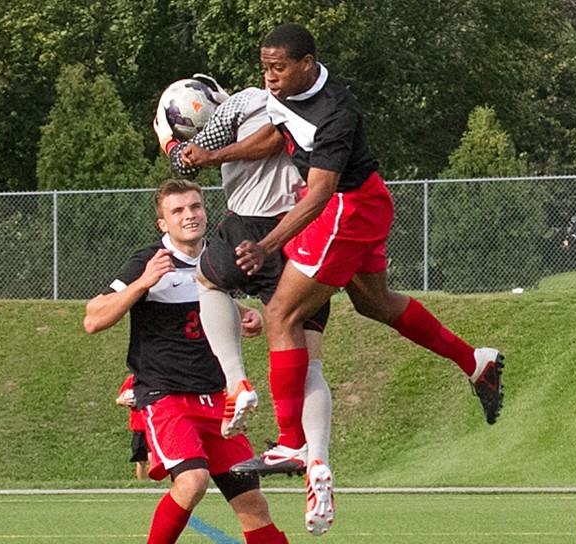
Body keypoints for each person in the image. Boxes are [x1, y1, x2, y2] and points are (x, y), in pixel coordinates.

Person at [180, 21, 504, 533]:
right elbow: (274, 136)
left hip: (346, 211)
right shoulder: (284, 93)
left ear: (307, 63)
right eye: (264, 66)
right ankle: (476, 361)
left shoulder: (336, 112)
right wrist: (213, 155)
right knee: (375, 304)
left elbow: (318, 194)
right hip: (363, 205)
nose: (269, 77)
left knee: (281, 313)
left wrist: (266, 245)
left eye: (278, 67)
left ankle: (291, 443)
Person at [154, 76, 336, 535]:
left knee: (207, 282)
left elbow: (191, 160)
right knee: (308, 359)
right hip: (304, 237)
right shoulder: (320, 112)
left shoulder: (241, 105)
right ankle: (316, 460)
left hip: (256, 225)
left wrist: (170, 142)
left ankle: (237, 383)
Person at [83, 180, 289, 544]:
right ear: (163, 223)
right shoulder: (150, 261)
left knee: (253, 505)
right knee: (193, 481)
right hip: (167, 398)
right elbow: (93, 319)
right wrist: (143, 283)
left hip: (218, 399)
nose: (189, 215)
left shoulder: (218, 260)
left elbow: (206, 310)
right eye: (177, 211)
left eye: (195, 207)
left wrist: (245, 315)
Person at [116, 374, 151, 480]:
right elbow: (119, 399)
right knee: (140, 458)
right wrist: (121, 401)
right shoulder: (132, 379)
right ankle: (142, 484)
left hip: (154, 423)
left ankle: (156, 483)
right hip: (139, 425)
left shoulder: (155, 378)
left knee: (153, 455)